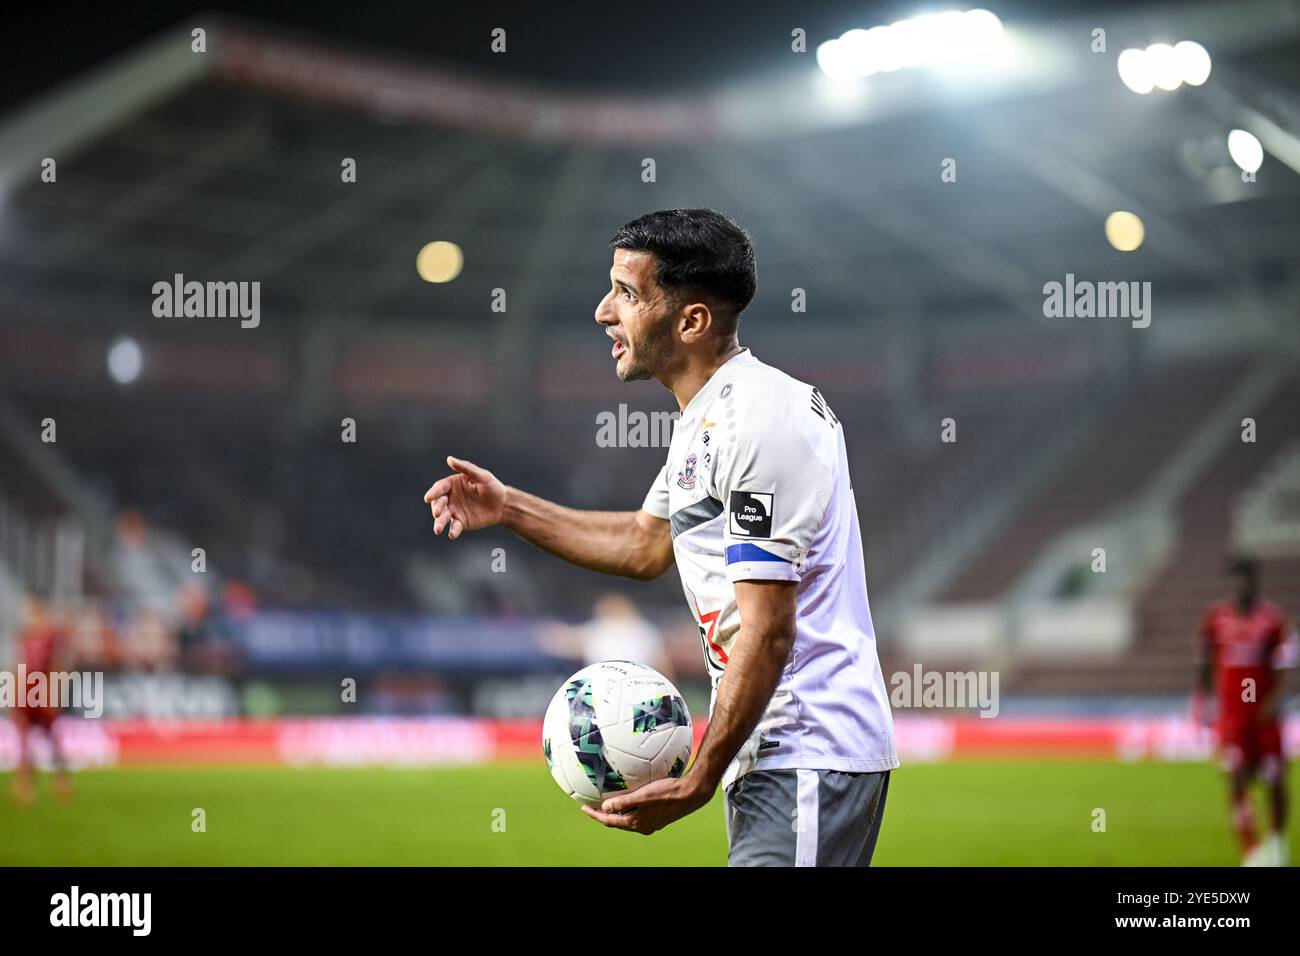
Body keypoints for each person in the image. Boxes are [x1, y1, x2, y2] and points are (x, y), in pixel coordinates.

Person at [425, 208, 897, 866]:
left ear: (692, 320)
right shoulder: (708, 419)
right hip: (777, 754)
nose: (602, 312)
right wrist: (509, 509)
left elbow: (768, 631)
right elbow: (645, 544)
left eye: (626, 293)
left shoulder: (760, 419)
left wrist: (697, 781)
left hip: (807, 748)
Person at [1195, 555, 1295, 866]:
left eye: (1246, 579)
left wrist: (1276, 699)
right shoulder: (1215, 620)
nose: (1241, 585)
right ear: (1230, 583)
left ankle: (1277, 842)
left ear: (1255, 582)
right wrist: (1203, 701)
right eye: (1236, 579)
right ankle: (1251, 851)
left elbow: (1285, 666)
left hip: (1263, 715)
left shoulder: (1272, 620)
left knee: (1275, 778)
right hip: (1233, 716)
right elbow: (1204, 663)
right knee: (1237, 777)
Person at [9, 594, 74, 805]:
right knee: (24, 740)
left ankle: (61, 779)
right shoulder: (24, 636)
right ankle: (25, 785)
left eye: (33, 612)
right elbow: (18, 666)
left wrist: (54, 693)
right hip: (26, 694)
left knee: (52, 740)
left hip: (43, 693)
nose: (30, 617)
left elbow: (58, 665)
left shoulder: (51, 637)